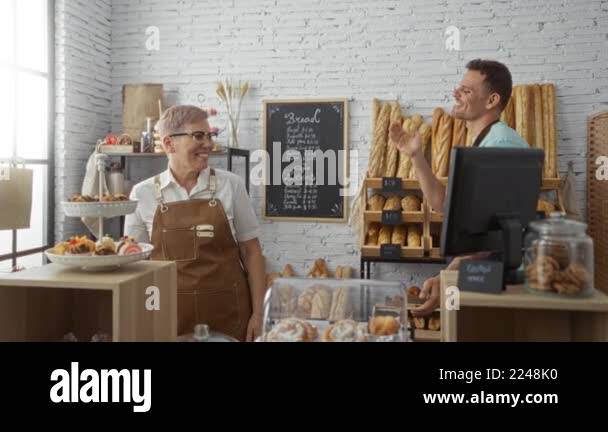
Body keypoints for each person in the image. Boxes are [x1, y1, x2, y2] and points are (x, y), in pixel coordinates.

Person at [390, 59, 528, 316]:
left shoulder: (502, 146)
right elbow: (443, 204)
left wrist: (449, 274)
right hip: (478, 274)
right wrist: (416, 157)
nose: (455, 93)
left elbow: (496, 233)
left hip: (493, 280)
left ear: (491, 100)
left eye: (466, 90)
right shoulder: (480, 145)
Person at [125, 105, 266, 341]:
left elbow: (252, 252)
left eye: (209, 135)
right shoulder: (143, 193)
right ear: (169, 143)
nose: (209, 144)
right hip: (168, 316)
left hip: (229, 313)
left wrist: (260, 314)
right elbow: (135, 264)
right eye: (199, 136)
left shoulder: (231, 185)